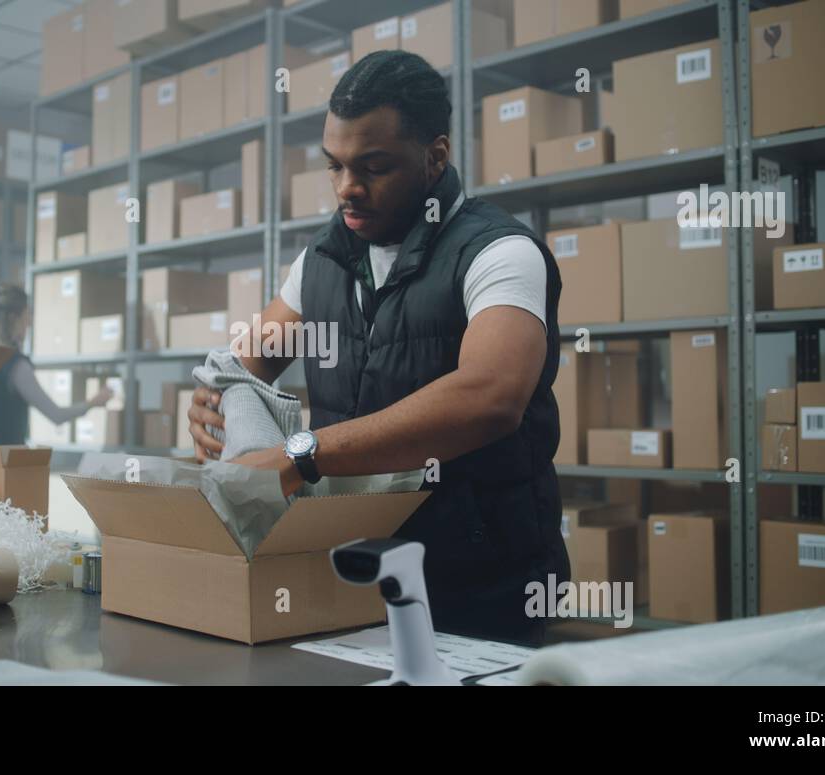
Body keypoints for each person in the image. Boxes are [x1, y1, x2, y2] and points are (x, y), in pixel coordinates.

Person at [187, 51, 567, 646]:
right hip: (351, 571)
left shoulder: (498, 252)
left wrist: (302, 453)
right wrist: (214, 398)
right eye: (334, 167)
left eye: (373, 167)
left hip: (479, 579)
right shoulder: (322, 261)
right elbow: (246, 362)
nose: (347, 189)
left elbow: (489, 397)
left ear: (435, 156)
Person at [0, 283, 112, 450]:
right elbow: (57, 415)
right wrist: (93, 402)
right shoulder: (15, 366)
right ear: (13, 319)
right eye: (27, 316)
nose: (30, 323)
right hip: (1, 468)